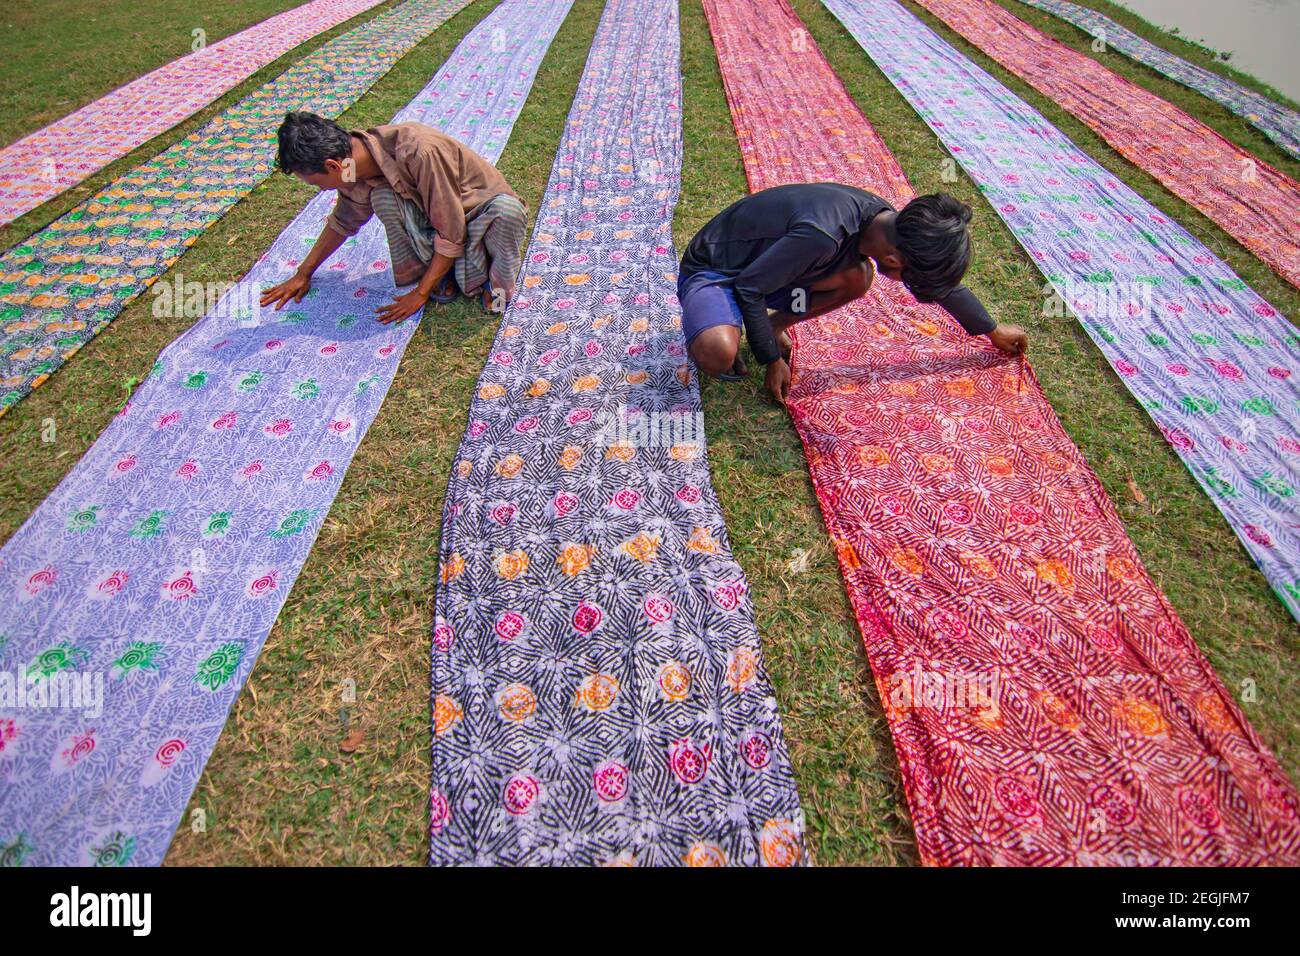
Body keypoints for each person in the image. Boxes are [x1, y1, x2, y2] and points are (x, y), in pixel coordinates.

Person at [677, 183, 1028, 404]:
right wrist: (771, 360)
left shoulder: (887, 222)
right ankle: (728, 322)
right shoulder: (823, 236)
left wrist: (992, 330)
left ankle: (772, 325)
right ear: (894, 260)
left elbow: (943, 286)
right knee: (718, 351)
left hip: (774, 271)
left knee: (857, 278)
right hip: (719, 272)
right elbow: (748, 287)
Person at [259, 111, 527, 323]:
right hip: (443, 232)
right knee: (384, 196)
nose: (320, 189)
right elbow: (344, 220)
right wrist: (304, 273)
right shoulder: (351, 164)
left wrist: (420, 294)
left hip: (477, 220)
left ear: (332, 166)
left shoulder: (420, 151)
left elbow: (452, 230)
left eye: (317, 183)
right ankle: (440, 275)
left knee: (508, 212)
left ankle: (495, 287)